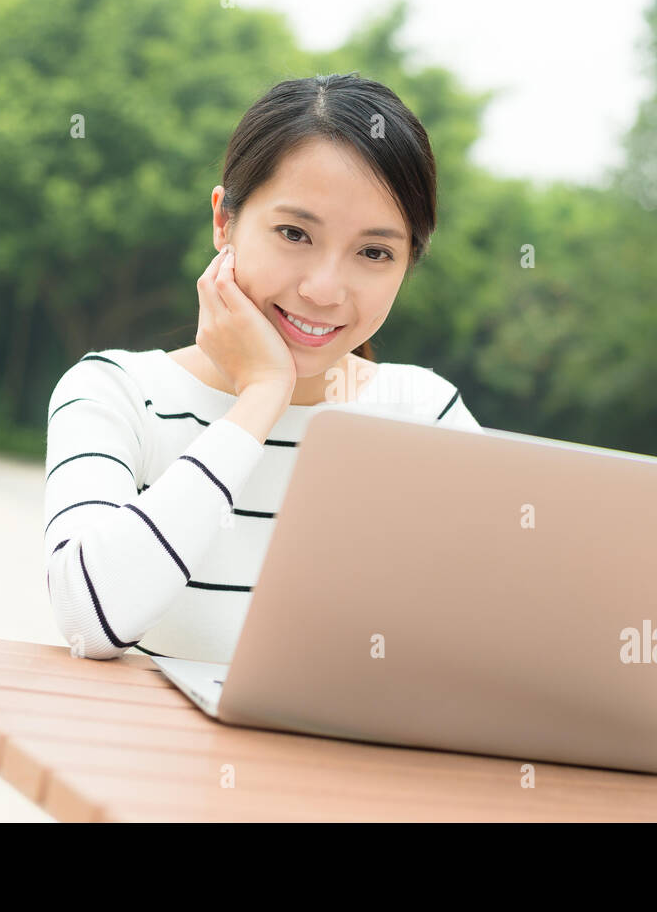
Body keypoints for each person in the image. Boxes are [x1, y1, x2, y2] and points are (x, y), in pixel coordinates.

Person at [44, 73, 482, 663]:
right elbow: (88, 619)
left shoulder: (423, 415)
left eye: (374, 252)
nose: (325, 289)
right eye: (294, 233)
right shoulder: (115, 393)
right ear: (224, 221)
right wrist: (260, 398)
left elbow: (510, 634)